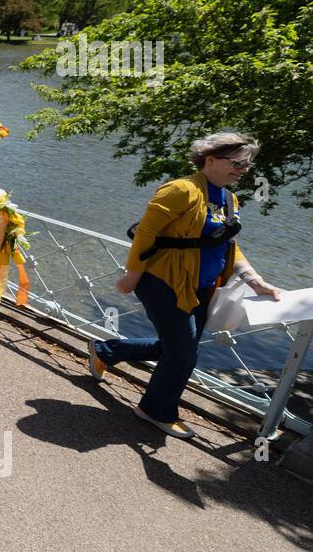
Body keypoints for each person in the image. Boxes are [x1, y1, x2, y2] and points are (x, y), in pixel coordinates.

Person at [91, 133, 283, 439]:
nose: (244, 169)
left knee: (177, 348)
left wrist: (253, 279)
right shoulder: (180, 190)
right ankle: (155, 410)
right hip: (162, 283)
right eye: (238, 162)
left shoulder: (230, 199)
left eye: (248, 164)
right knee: (182, 355)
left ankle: (106, 350)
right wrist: (132, 276)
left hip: (202, 287)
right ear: (211, 159)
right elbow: (146, 234)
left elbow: (229, 246)